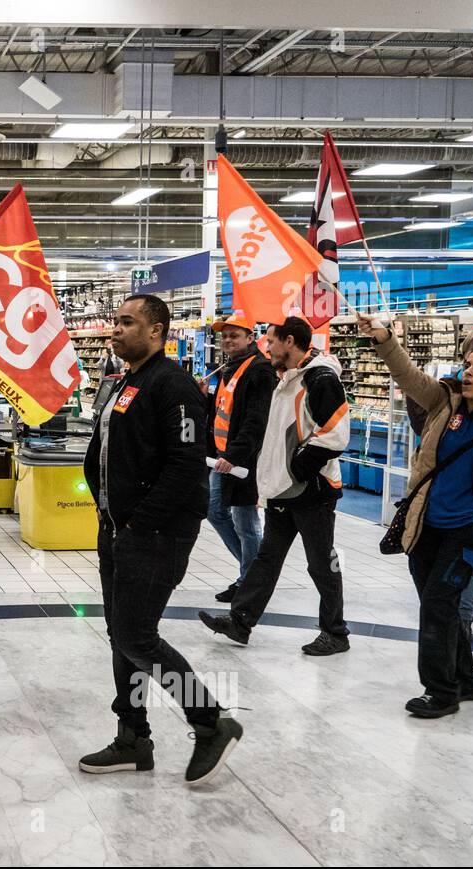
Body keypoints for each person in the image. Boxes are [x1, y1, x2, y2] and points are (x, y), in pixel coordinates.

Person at [78, 294, 242, 785]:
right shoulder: (126, 380)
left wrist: (138, 524)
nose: (115, 329)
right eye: (115, 321)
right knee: (121, 635)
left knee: (136, 635)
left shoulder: (172, 384)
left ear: (157, 331)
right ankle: (133, 738)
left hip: (154, 534)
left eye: (126, 322)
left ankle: (210, 723)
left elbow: (184, 465)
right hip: (118, 529)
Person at [360, 313, 473, 717]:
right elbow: (407, 375)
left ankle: (440, 692)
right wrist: (386, 338)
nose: (468, 372)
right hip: (425, 526)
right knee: (436, 603)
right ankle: (469, 681)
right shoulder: (446, 401)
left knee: (437, 606)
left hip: (465, 533)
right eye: (467, 364)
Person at [199, 316, 351, 656]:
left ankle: (335, 632)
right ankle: (241, 621)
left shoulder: (320, 378)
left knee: (321, 562)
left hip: (313, 489)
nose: (267, 347)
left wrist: (299, 468)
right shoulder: (286, 378)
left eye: (272, 341)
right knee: (268, 557)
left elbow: (337, 432)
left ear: (291, 341)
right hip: (284, 489)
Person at [405, 329, 473, 626]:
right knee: (435, 597)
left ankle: (459, 656)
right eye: (469, 362)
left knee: (456, 605)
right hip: (435, 515)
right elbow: (425, 432)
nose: (472, 370)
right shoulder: (451, 396)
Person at [202, 313, 274, 603]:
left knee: (245, 521)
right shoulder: (229, 368)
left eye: (234, 335)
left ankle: (251, 582)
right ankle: (252, 573)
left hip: (245, 461)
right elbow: (225, 412)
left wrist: (235, 455)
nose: (228, 340)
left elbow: (257, 420)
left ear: (250, 338)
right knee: (215, 511)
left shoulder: (260, 370)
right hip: (222, 458)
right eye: (225, 335)